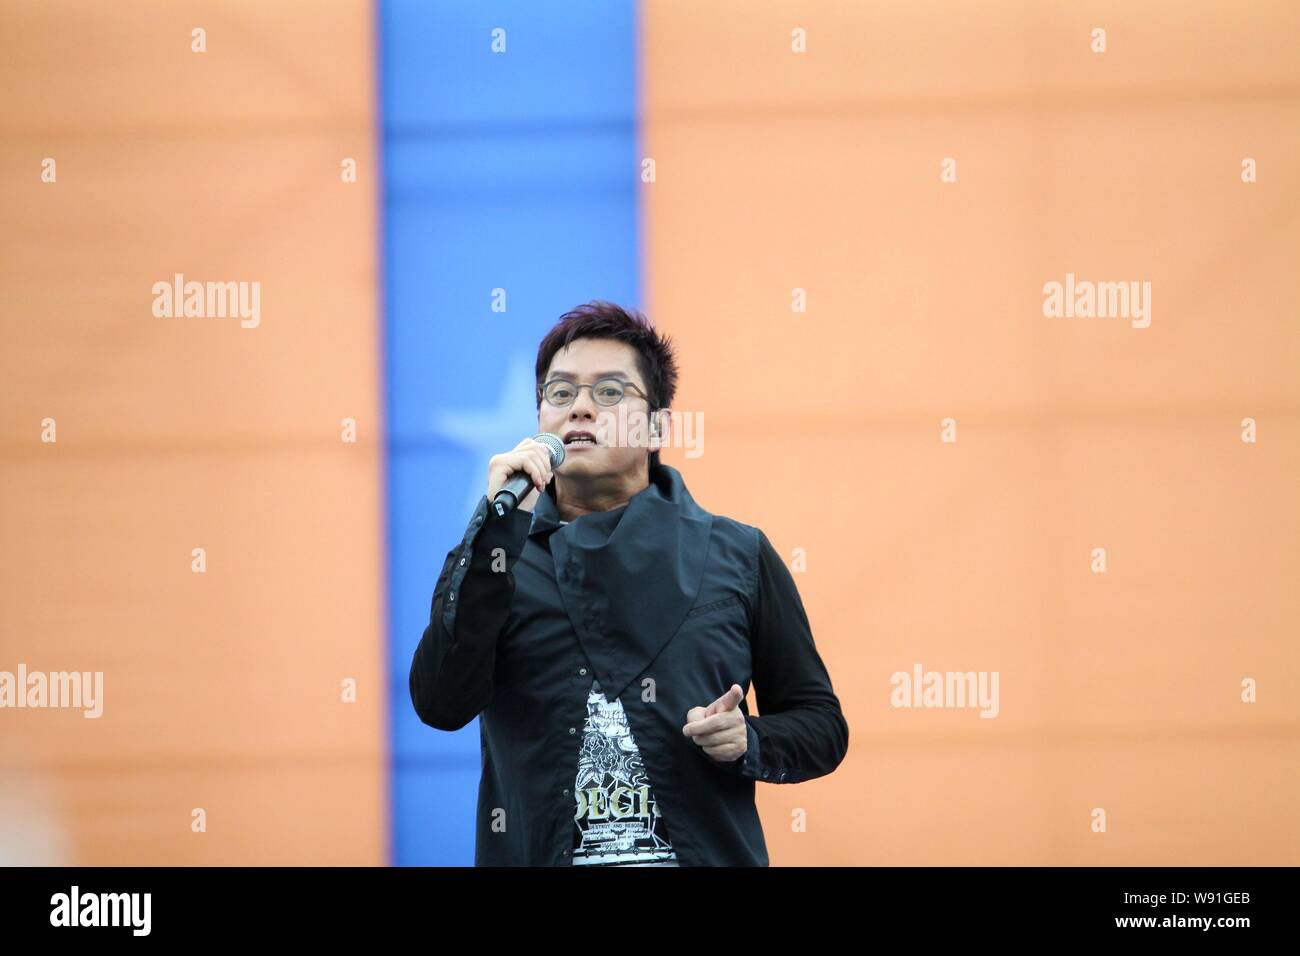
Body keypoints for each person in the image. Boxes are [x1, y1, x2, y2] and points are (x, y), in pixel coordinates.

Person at [410, 300, 849, 866]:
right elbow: (440, 702)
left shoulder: (736, 554)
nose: (582, 410)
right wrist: (493, 531)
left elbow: (821, 726)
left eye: (610, 393)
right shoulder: (500, 555)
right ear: (540, 419)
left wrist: (751, 741)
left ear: (657, 424)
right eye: (560, 393)